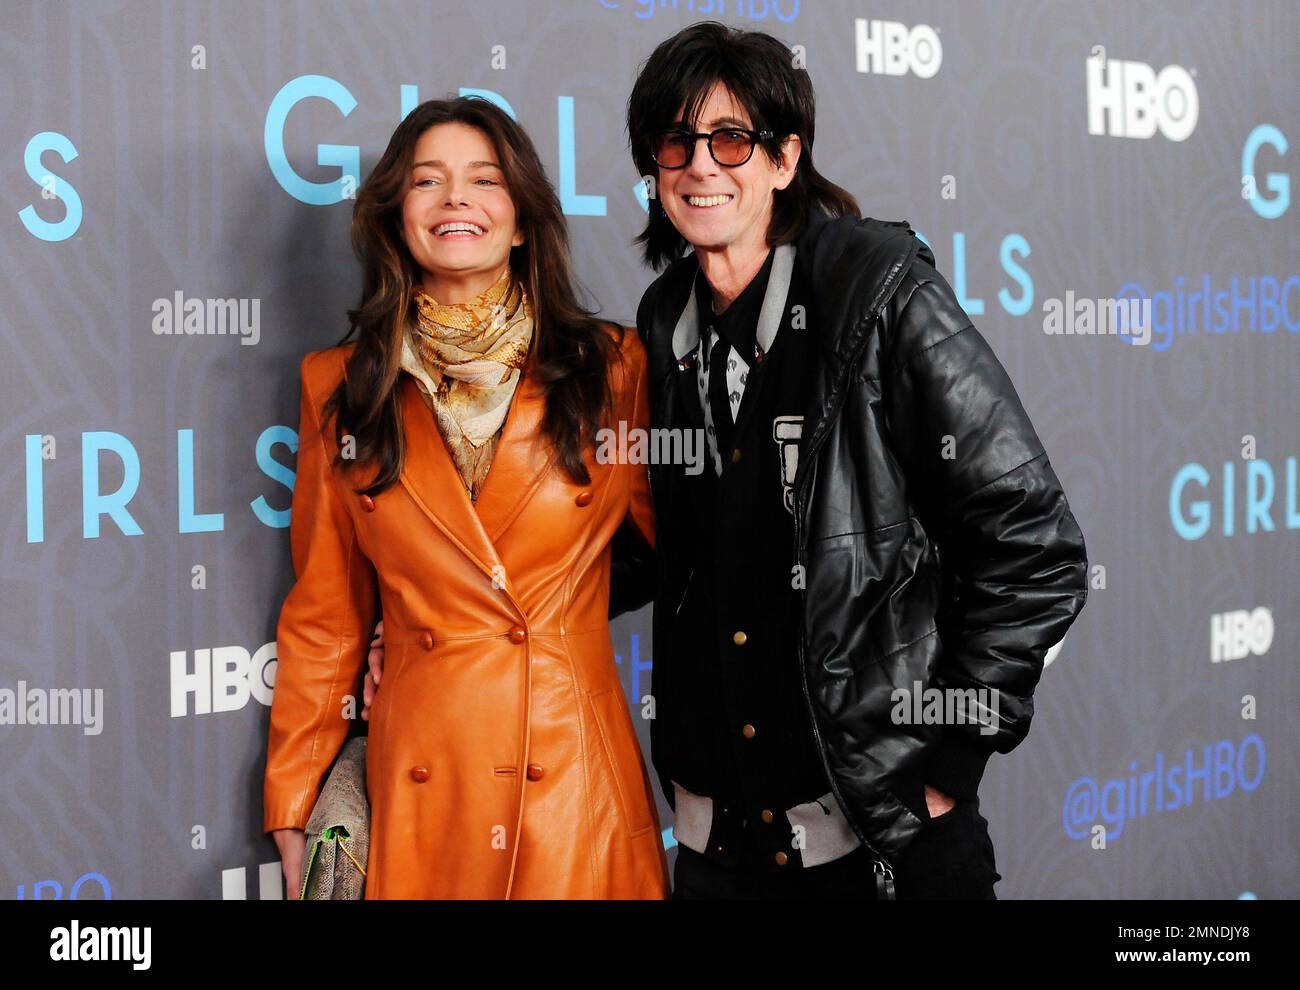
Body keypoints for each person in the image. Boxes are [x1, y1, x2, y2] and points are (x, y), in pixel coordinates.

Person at [366, 21, 1090, 900]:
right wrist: (441, 629)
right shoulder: (665, 324)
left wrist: (952, 755)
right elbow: (649, 547)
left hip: (879, 851)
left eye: (733, 139)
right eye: (677, 143)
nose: (702, 165)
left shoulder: (877, 292)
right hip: (716, 857)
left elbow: (1034, 545)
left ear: (785, 161)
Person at [263, 96, 668, 899]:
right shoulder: (339, 388)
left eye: (484, 179)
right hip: (423, 786)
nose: (455, 199)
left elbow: (679, 555)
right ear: (395, 217)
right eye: (427, 181)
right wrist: (295, 800)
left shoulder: (614, 367)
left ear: (520, 221)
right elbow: (325, 611)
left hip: (573, 784)